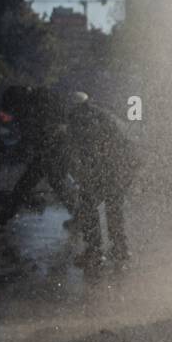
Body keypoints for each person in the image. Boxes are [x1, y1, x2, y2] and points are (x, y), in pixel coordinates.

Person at [62, 92, 139, 268]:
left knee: (88, 205)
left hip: (104, 167)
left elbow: (83, 149)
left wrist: (83, 173)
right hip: (120, 166)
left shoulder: (79, 119)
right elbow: (123, 140)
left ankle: (94, 252)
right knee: (113, 208)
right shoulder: (102, 113)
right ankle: (120, 249)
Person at [0, 84, 74, 225]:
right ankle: (80, 214)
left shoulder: (30, 109)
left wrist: (13, 150)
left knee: (27, 184)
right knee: (53, 183)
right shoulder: (37, 102)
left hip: (51, 152)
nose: (14, 112)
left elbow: (31, 137)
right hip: (51, 151)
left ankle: (5, 216)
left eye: (13, 108)